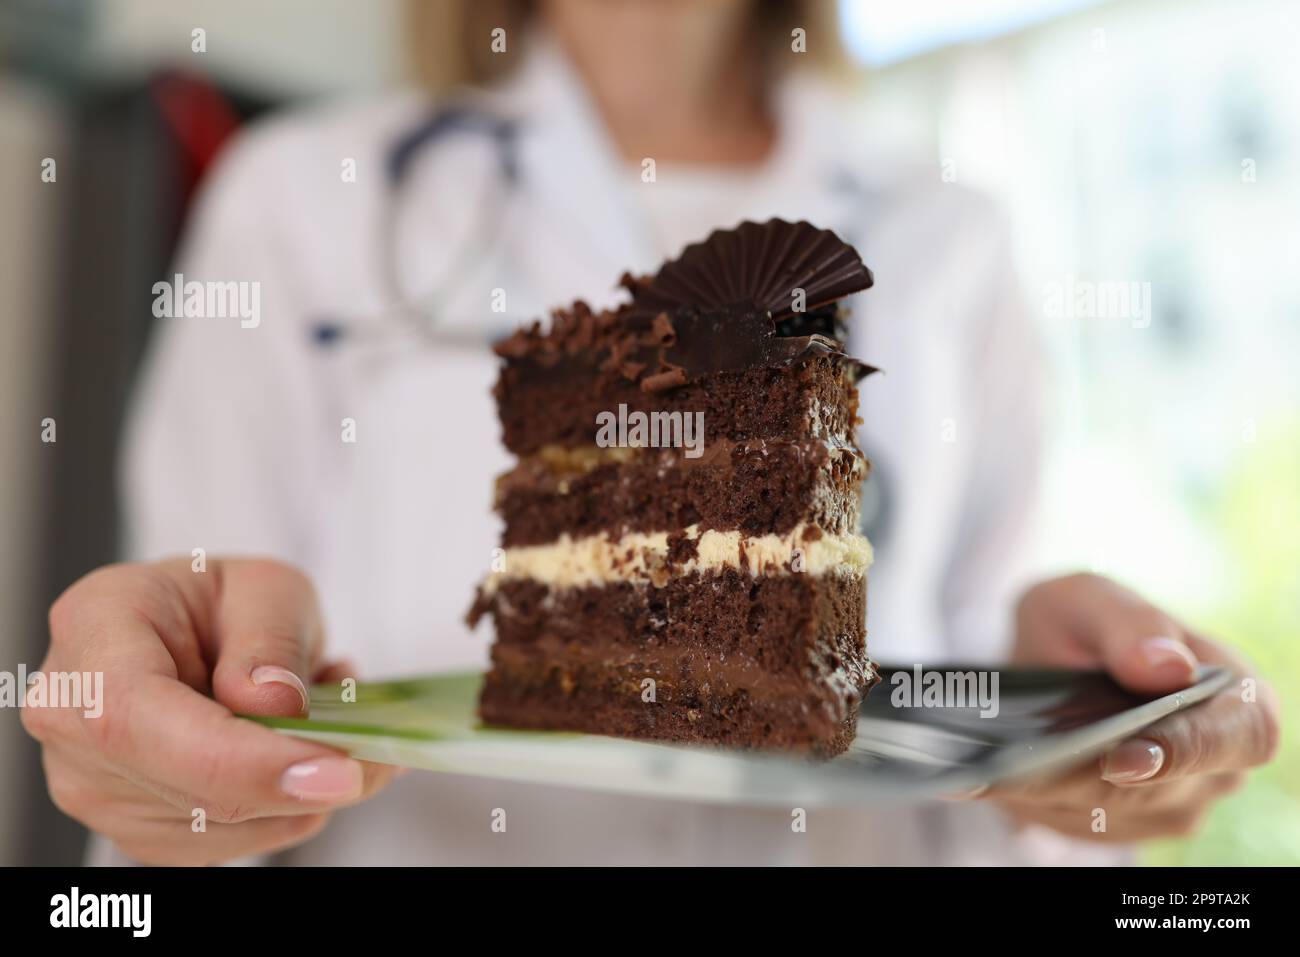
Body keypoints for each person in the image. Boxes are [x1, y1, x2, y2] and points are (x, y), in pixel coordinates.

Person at [22, 0, 1277, 865]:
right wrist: (160, 769)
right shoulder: (297, 201)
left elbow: (961, 738)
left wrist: (1075, 743)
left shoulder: (950, 231)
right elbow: (192, 712)